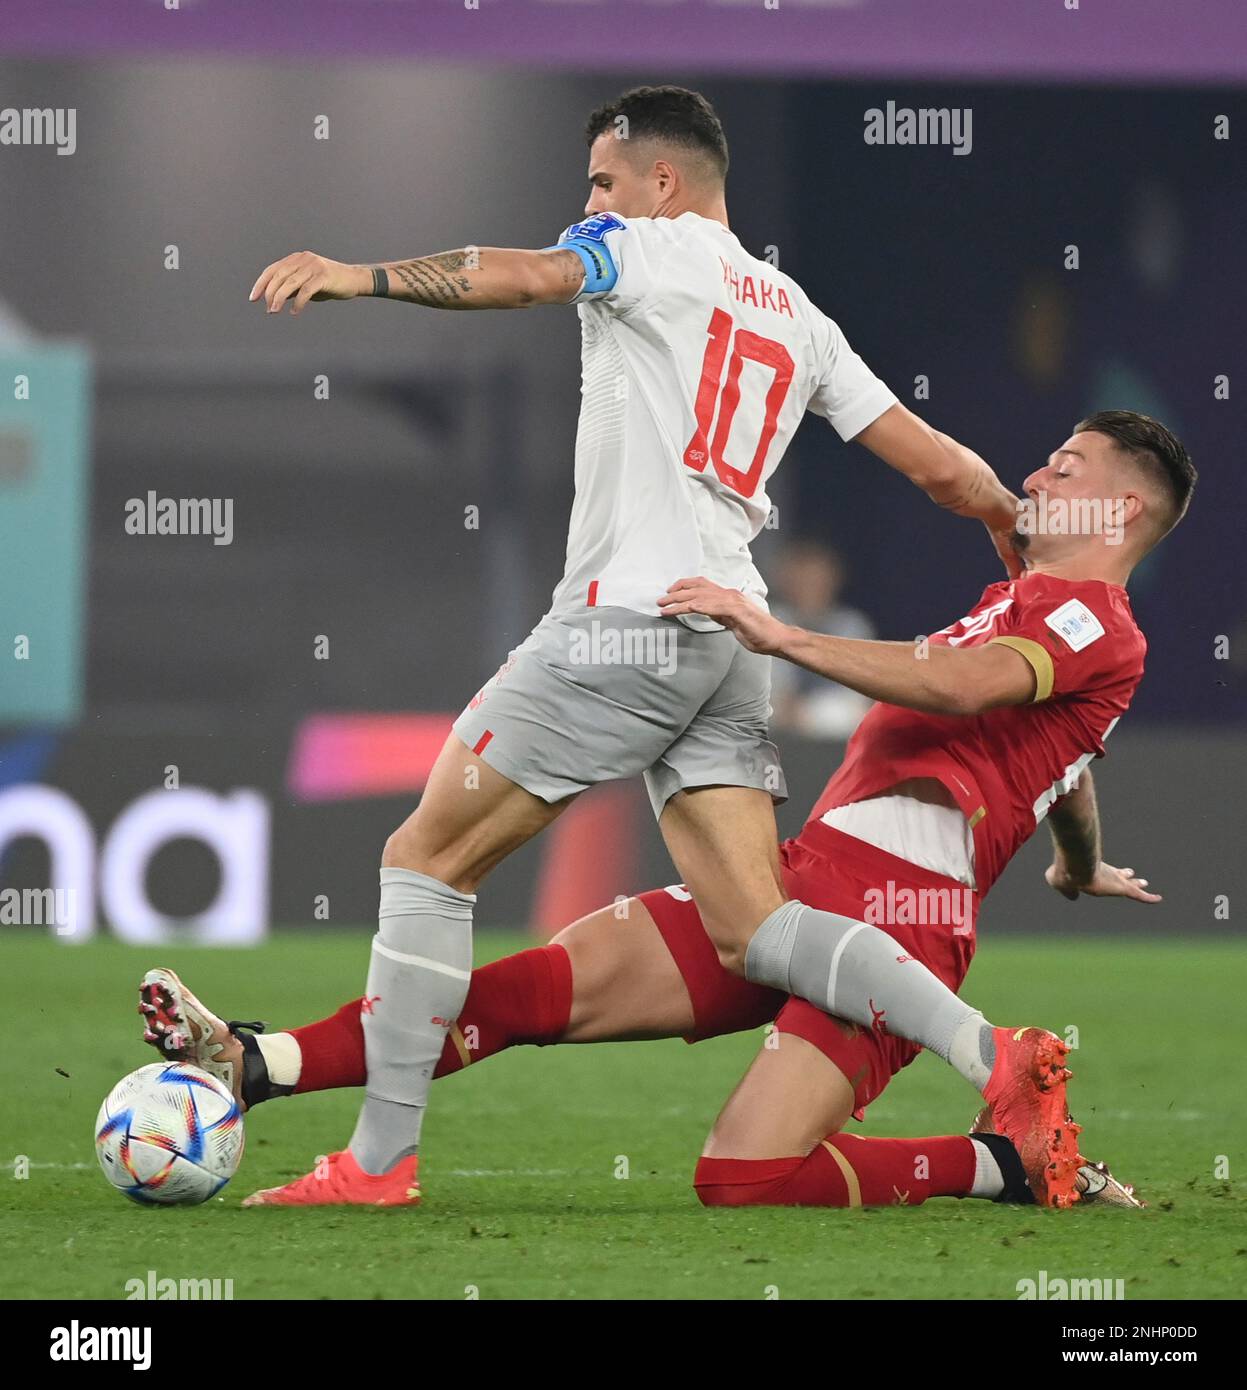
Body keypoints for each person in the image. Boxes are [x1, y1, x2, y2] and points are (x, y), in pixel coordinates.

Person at [242, 85, 1025, 1205]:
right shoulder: (798, 313)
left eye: (602, 180)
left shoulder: (639, 248)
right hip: (723, 639)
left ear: (663, 183)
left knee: (426, 857)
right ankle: (992, 1058)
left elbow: (515, 274)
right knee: (754, 927)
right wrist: (1006, 518)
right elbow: (936, 466)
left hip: (620, 626)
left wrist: (359, 275)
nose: (588, 203)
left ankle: (376, 1165)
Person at [142, 412, 1193, 1211]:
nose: (1034, 472)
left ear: (1126, 511)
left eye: (1068, 465)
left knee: (742, 1177)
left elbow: (965, 691)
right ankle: (256, 1063)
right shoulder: (1027, 601)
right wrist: (1075, 860)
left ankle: (1000, 1161)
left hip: (901, 915)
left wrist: (780, 637)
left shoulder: (1095, 619)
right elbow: (1066, 753)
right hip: (798, 879)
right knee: (523, 992)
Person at [768, 541, 874, 739]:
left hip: (838, 740)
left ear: (833, 578)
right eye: (801, 577)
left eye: (816, 577)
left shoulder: (852, 624)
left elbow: (857, 703)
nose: (809, 584)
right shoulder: (769, 619)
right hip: (777, 740)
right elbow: (772, 699)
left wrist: (809, 713)